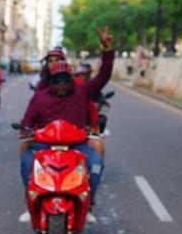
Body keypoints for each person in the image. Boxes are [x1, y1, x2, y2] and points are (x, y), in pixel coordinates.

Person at [19, 27, 113, 216]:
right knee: (26, 162)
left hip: (77, 145)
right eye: (57, 80)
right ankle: (31, 201)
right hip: (44, 145)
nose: (61, 83)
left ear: (71, 79)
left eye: (64, 79)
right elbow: (27, 121)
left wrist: (107, 50)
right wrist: (25, 130)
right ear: (50, 80)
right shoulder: (39, 97)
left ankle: (88, 202)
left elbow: (103, 76)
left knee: (95, 163)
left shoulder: (82, 92)